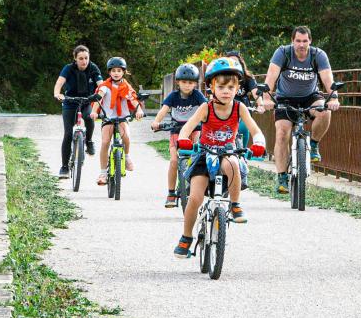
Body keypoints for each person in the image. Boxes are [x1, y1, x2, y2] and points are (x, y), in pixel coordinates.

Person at [173, 57, 266, 257]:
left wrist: (259, 143)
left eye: (231, 87)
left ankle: (235, 205)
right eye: (221, 86)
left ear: (237, 88)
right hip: (205, 153)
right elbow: (187, 128)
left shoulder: (239, 107)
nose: (226, 91)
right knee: (195, 198)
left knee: (233, 162)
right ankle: (186, 237)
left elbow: (255, 130)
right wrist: (184, 140)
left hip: (227, 152)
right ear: (211, 87)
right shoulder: (206, 107)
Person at [260, 26, 339, 194]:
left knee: (325, 112)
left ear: (310, 41)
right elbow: (271, 76)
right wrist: (267, 98)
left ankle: (314, 144)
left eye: (305, 41)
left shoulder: (318, 55)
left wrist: (333, 97)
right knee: (282, 133)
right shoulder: (283, 53)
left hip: (310, 96)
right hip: (285, 98)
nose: (301, 45)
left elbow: (327, 79)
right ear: (292, 41)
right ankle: (282, 177)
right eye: (298, 41)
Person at [150, 63, 208, 207]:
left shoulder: (197, 95)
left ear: (195, 84)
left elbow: (206, 108)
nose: (187, 85)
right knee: (174, 161)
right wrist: (156, 121)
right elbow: (164, 109)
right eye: (184, 82)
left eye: (190, 82)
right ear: (178, 82)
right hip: (176, 131)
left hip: (194, 130)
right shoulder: (173, 96)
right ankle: (171, 193)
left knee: (198, 157)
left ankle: (197, 186)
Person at [52, 44, 103, 178]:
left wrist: (101, 93)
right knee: (68, 134)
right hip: (70, 102)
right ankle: (64, 167)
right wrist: (58, 94)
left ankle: (89, 141)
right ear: (75, 58)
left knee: (89, 117)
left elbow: (101, 85)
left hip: (87, 101)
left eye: (86, 58)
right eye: (80, 58)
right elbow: (59, 83)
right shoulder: (68, 68)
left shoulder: (93, 67)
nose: (84, 61)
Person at [93, 56, 144, 184]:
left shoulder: (126, 86)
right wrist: (94, 111)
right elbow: (98, 98)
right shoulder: (105, 86)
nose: (116, 73)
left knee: (126, 137)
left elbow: (132, 98)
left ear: (123, 72)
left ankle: (126, 157)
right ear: (109, 72)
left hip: (122, 118)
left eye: (119, 70)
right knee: (105, 142)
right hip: (108, 118)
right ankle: (103, 173)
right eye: (113, 70)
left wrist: (138, 110)